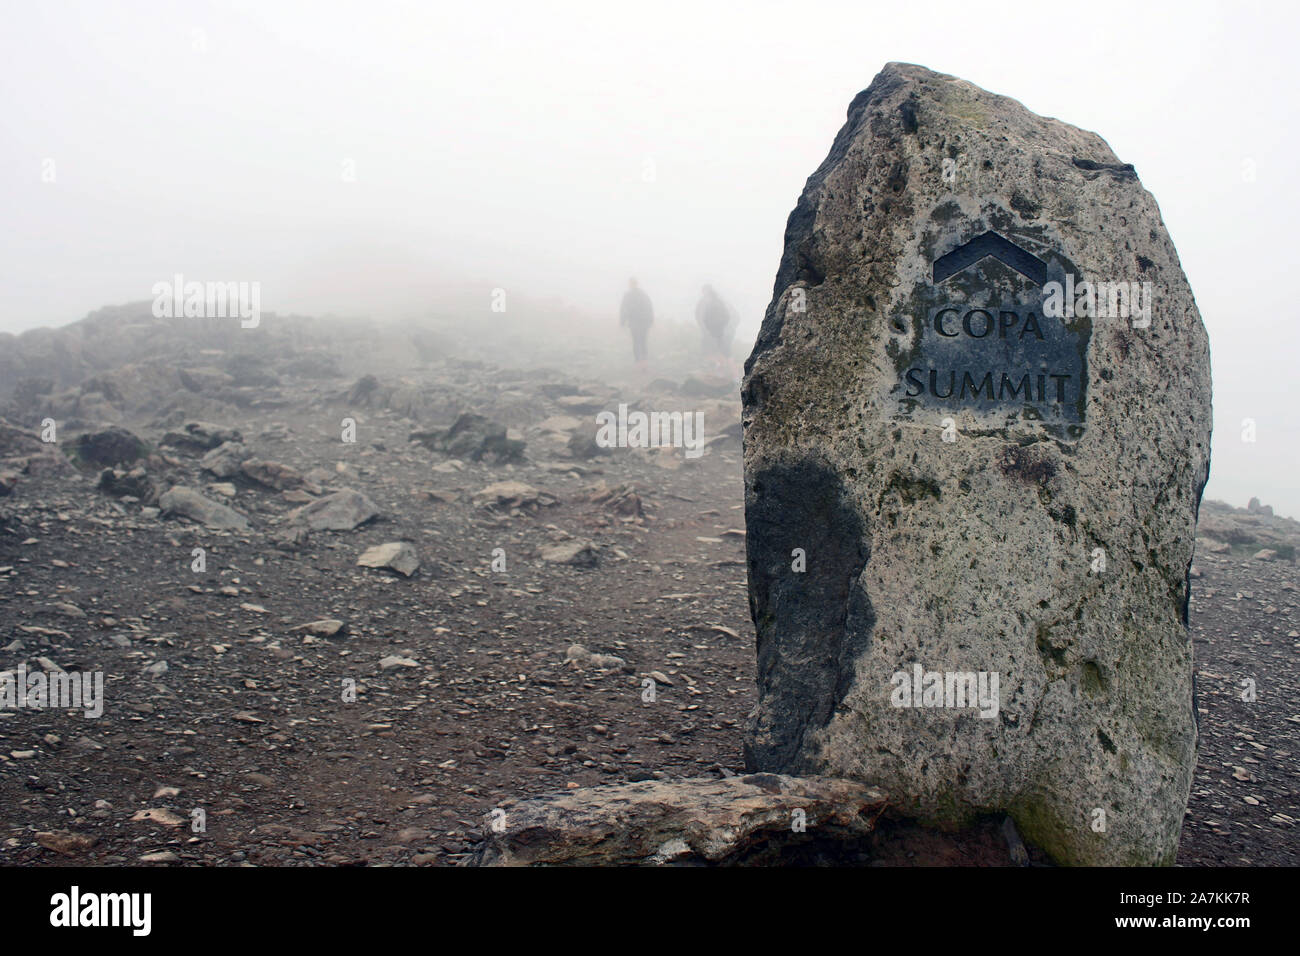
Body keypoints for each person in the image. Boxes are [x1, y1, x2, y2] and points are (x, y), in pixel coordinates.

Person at [695, 284, 737, 379]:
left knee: (715, 353)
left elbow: (701, 317)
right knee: (724, 353)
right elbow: (730, 316)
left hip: (713, 333)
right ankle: (731, 375)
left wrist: (707, 329)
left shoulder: (707, 302)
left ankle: (723, 374)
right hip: (722, 332)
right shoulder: (720, 301)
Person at [619, 277, 654, 369]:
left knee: (636, 341)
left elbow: (623, 309)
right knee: (642, 341)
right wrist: (650, 320)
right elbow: (649, 307)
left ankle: (639, 361)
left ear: (630, 284)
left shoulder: (628, 295)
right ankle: (644, 361)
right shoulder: (643, 294)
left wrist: (622, 321)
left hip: (635, 322)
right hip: (643, 322)